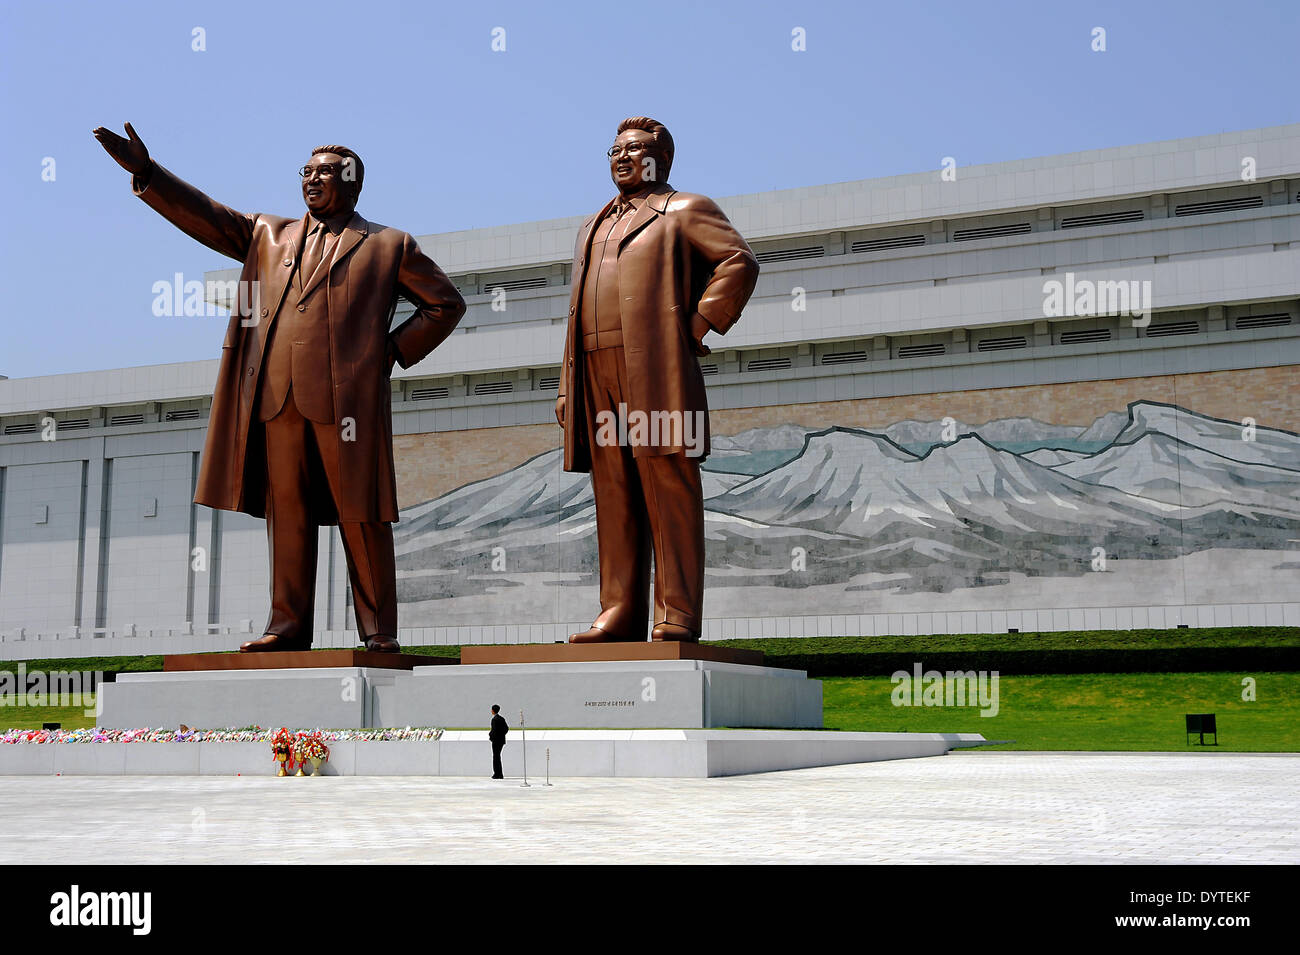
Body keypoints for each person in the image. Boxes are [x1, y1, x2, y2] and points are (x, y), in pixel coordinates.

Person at [92, 124, 466, 653]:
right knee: (286, 515)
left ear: (354, 183)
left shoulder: (389, 245)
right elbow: (208, 216)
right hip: (275, 399)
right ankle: (288, 626)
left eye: (326, 173)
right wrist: (149, 175)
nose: (312, 181)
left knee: (361, 512)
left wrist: (388, 352)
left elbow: (445, 304)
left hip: (346, 404)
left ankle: (378, 631)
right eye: (306, 173)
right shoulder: (269, 234)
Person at [555, 117, 759, 644]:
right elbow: (575, 310)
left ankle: (676, 614)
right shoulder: (591, 224)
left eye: (637, 149)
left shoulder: (685, 209)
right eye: (616, 150)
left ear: (661, 159)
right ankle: (618, 612)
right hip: (596, 369)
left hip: (657, 367)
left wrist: (696, 325)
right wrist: (565, 386)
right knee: (614, 493)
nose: (623, 158)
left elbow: (738, 261)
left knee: (669, 486)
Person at [489, 705, 509, 779]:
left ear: (493, 710)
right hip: (501, 741)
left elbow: (493, 730)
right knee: (498, 756)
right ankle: (499, 773)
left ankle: (497, 774)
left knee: (496, 757)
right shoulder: (501, 719)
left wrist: (491, 736)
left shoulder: (494, 719)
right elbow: (506, 728)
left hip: (496, 741)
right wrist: (502, 735)